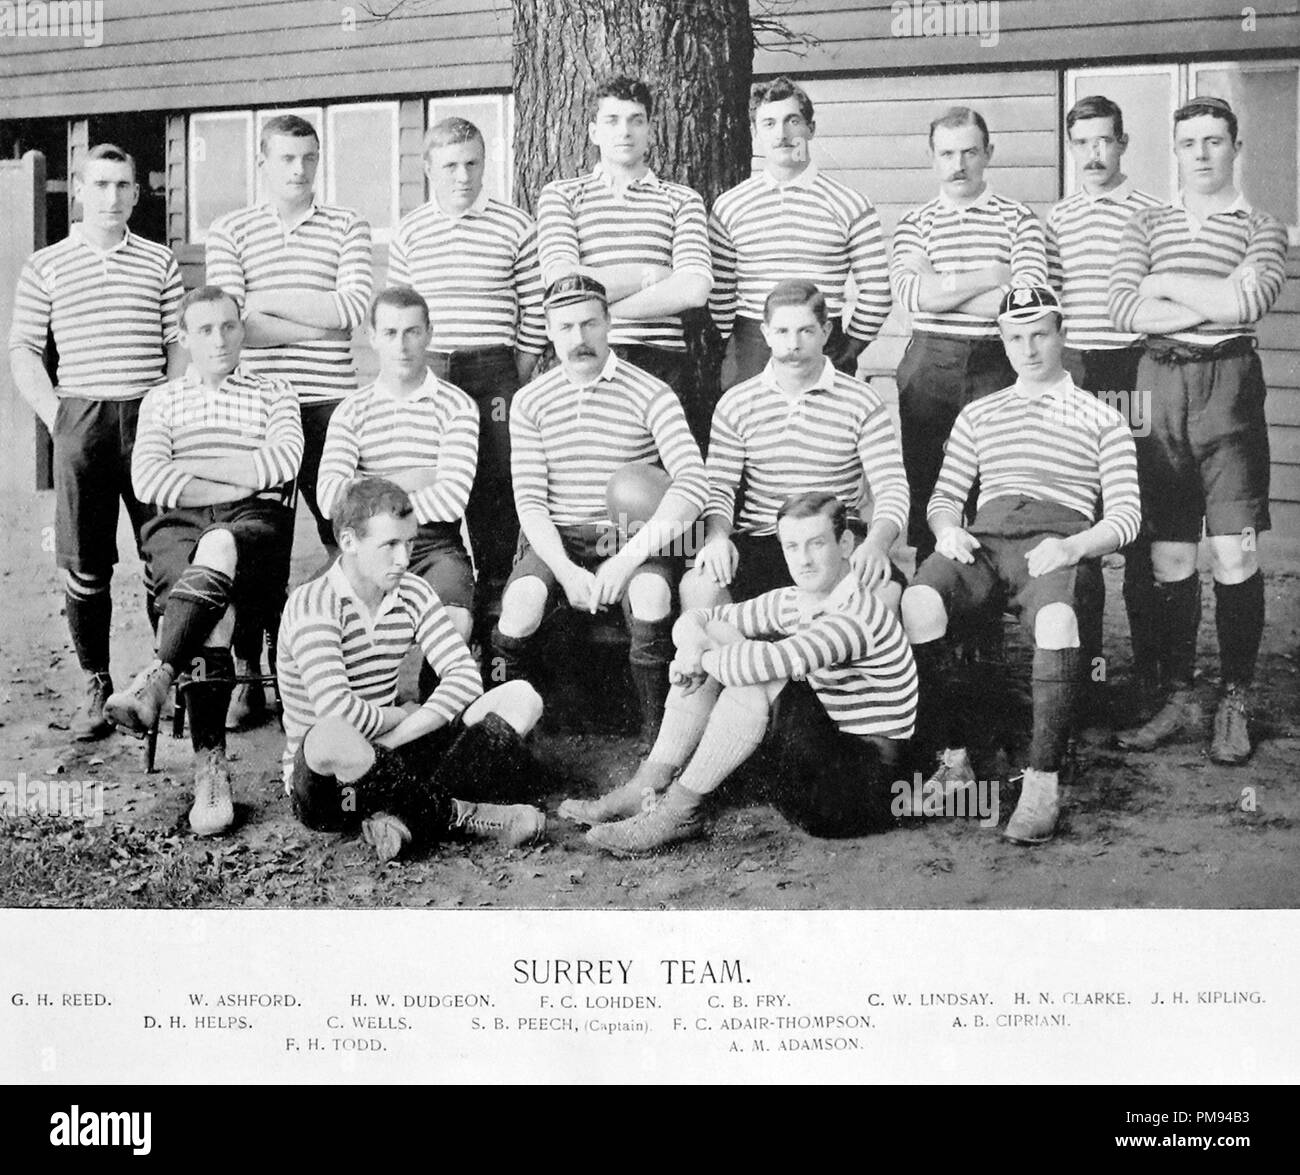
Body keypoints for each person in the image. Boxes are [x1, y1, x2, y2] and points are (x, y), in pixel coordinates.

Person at [901, 285, 1140, 845]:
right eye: (1015, 338)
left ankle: (1042, 780)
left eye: (1040, 335)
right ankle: (955, 760)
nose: (1028, 350)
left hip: (1055, 545)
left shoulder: (1102, 417)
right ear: (1003, 343)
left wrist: (1075, 547)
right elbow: (943, 497)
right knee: (917, 601)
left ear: (1062, 335)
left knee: (1057, 622)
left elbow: (1127, 516)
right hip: (984, 540)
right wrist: (945, 529)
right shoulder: (979, 413)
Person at [568, 492, 917, 855]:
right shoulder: (794, 600)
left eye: (816, 544)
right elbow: (700, 618)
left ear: (845, 543)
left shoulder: (856, 615)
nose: (804, 560)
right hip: (824, 764)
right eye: (792, 547)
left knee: (753, 671)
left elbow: (764, 665)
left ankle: (678, 813)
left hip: (859, 793)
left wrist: (698, 658)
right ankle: (649, 784)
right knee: (719, 635)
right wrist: (691, 647)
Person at [1108, 96, 1288, 764]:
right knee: (1170, 555)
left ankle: (1234, 696)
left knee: (1236, 552)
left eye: (1216, 141)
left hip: (1230, 388)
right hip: (1159, 389)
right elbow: (1124, 307)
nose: (1203, 153)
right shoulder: (1147, 223)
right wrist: (1200, 294)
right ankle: (1179, 694)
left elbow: (1249, 302)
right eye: (1190, 143)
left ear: (1235, 147)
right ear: (1175, 151)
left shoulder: (1260, 226)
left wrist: (1165, 289)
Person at [102, 286, 302, 837]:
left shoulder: (276, 392)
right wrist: (241, 467)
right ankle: (210, 767)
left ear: (243, 330)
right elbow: (148, 479)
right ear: (184, 338)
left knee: (221, 546)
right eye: (205, 330)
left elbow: (283, 463)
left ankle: (162, 679)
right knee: (214, 606)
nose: (219, 339)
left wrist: (194, 473)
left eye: (230, 326)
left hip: (254, 525)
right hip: (176, 528)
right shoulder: (160, 400)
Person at [8, 143, 185, 742]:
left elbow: (176, 344)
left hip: (149, 415)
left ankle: (165, 680)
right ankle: (97, 683)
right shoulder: (47, 264)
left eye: (123, 186)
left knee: (165, 552)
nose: (111, 197)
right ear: (79, 190)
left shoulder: (159, 262)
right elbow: (24, 350)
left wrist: (167, 403)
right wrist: (58, 414)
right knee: (85, 562)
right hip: (81, 415)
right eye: (100, 185)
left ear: (137, 193)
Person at [277, 477, 548, 863]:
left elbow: (464, 676)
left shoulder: (413, 592)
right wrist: (397, 713)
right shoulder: (314, 602)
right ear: (349, 541)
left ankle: (398, 813)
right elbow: (337, 712)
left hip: (391, 754)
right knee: (332, 735)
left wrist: (398, 735)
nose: (404, 559)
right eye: (389, 545)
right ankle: (458, 815)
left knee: (521, 697)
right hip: (331, 786)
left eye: (409, 543)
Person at [205, 113, 373, 725]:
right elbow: (230, 319)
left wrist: (263, 300)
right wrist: (309, 314)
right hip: (259, 405)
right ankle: (252, 675)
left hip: (331, 405)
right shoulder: (231, 231)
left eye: (308, 158)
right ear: (263, 163)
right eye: (285, 159)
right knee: (258, 544)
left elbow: (351, 309)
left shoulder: (347, 225)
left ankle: (339, 668)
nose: (299, 171)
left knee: (343, 534)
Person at [490, 274, 708, 744]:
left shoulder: (652, 392)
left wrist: (628, 558)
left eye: (590, 324)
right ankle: (509, 736)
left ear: (609, 322)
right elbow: (529, 501)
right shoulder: (530, 401)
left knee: (652, 593)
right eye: (565, 327)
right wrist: (567, 572)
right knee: (521, 604)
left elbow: (694, 483)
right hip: (559, 534)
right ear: (548, 330)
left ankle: (657, 742)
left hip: (627, 535)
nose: (579, 338)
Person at [388, 117, 545, 623]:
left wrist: (511, 371)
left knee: (494, 491)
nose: (463, 176)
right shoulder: (411, 230)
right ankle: (446, 610)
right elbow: (400, 309)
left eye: (473, 163)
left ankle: (497, 613)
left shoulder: (515, 224)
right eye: (451, 165)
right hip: (431, 372)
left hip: (493, 368)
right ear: (429, 168)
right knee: (436, 487)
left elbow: (535, 310)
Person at [681, 279, 909, 610]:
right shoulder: (737, 402)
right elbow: (719, 487)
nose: (794, 343)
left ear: (827, 332)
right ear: (765, 333)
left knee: (883, 593)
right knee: (698, 587)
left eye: (806, 331)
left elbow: (892, 487)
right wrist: (717, 538)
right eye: (783, 331)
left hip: (834, 540)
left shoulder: (862, 401)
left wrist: (875, 544)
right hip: (764, 539)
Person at [1047, 95, 1165, 713]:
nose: (1093, 154)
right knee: (1079, 522)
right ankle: (1087, 680)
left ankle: (1149, 680)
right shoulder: (1056, 220)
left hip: (1133, 367)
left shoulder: (1152, 213)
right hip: (1077, 372)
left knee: (1138, 525)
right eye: (1082, 142)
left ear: (1122, 145)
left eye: (1104, 141)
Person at [890, 106, 1049, 562]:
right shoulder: (915, 221)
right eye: (946, 154)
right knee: (927, 478)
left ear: (988, 154)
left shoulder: (1018, 219)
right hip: (928, 364)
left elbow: (1025, 304)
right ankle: (930, 596)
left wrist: (939, 283)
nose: (958, 165)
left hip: (994, 361)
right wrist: (991, 275)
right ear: (932, 158)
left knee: (990, 479)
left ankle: (984, 606)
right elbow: (911, 295)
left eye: (969, 153)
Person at [317, 287, 479, 654]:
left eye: (412, 332)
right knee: (315, 613)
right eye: (390, 333)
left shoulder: (457, 407)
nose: (402, 346)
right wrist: (419, 476)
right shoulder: (351, 411)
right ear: (372, 337)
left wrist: (364, 487)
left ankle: (429, 703)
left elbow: (451, 500)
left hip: (432, 545)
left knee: (456, 621)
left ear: (429, 334)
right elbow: (330, 500)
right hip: (365, 549)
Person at [535, 75, 712, 404]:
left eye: (636, 120)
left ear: (650, 130)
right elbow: (563, 282)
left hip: (661, 362)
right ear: (593, 132)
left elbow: (694, 289)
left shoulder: (682, 200)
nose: (625, 131)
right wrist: (653, 275)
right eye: (612, 120)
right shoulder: (563, 195)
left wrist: (599, 309)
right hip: (588, 356)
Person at [709, 76, 891, 389]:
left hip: (822, 345)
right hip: (752, 349)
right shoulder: (729, 207)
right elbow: (720, 299)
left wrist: (845, 351)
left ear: (811, 128)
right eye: (768, 123)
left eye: (792, 121)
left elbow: (877, 294)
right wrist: (737, 351)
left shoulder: (850, 204)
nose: (781, 134)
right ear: (756, 132)